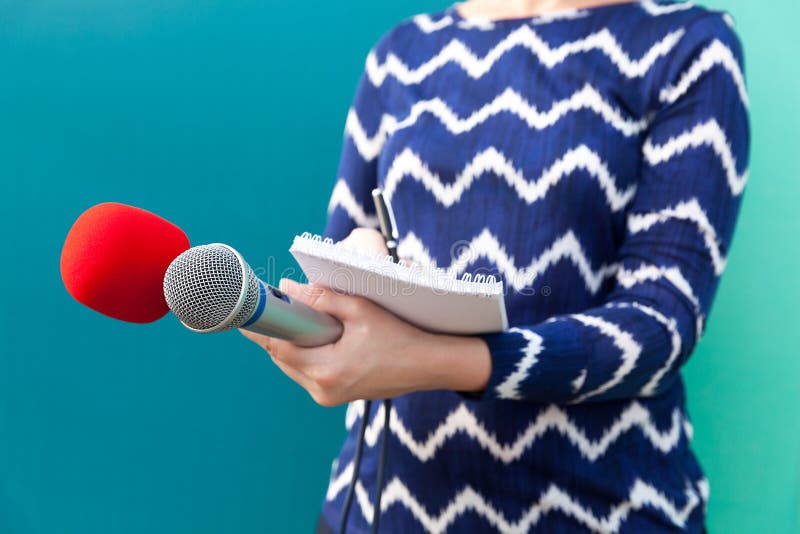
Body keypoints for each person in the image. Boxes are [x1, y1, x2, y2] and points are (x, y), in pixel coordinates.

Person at [240, 0, 749, 531]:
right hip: (380, 508)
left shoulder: (687, 44)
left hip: (599, 510)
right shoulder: (401, 53)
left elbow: (660, 325)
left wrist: (435, 359)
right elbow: (342, 247)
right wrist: (358, 264)